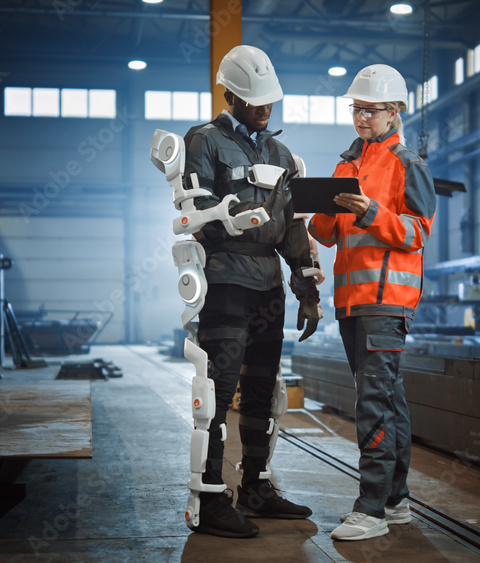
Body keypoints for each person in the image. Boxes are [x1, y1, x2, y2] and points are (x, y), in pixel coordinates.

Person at [183, 44, 322, 538]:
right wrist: (239, 218)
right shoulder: (204, 141)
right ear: (231, 96)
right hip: (225, 282)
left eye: (269, 100)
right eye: (253, 100)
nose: (264, 108)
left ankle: (257, 488)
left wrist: (307, 289)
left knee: (263, 391)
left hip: (268, 285)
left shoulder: (282, 155)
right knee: (216, 394)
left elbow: (293, 229)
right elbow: (196, 212)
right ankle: (209, 500)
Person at [308, 64, 436, 541]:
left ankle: (371, 509)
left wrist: (372, 212)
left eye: (371, 110)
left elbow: (417, 232)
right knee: (388, 402)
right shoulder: (347, 165)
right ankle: (396, 501)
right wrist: (318, 209)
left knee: (373, 405)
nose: (362, 117)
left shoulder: (408, 164)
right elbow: (327, 232)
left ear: (395, 111)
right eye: (356, 109)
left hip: (387, 302)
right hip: (351, 302)